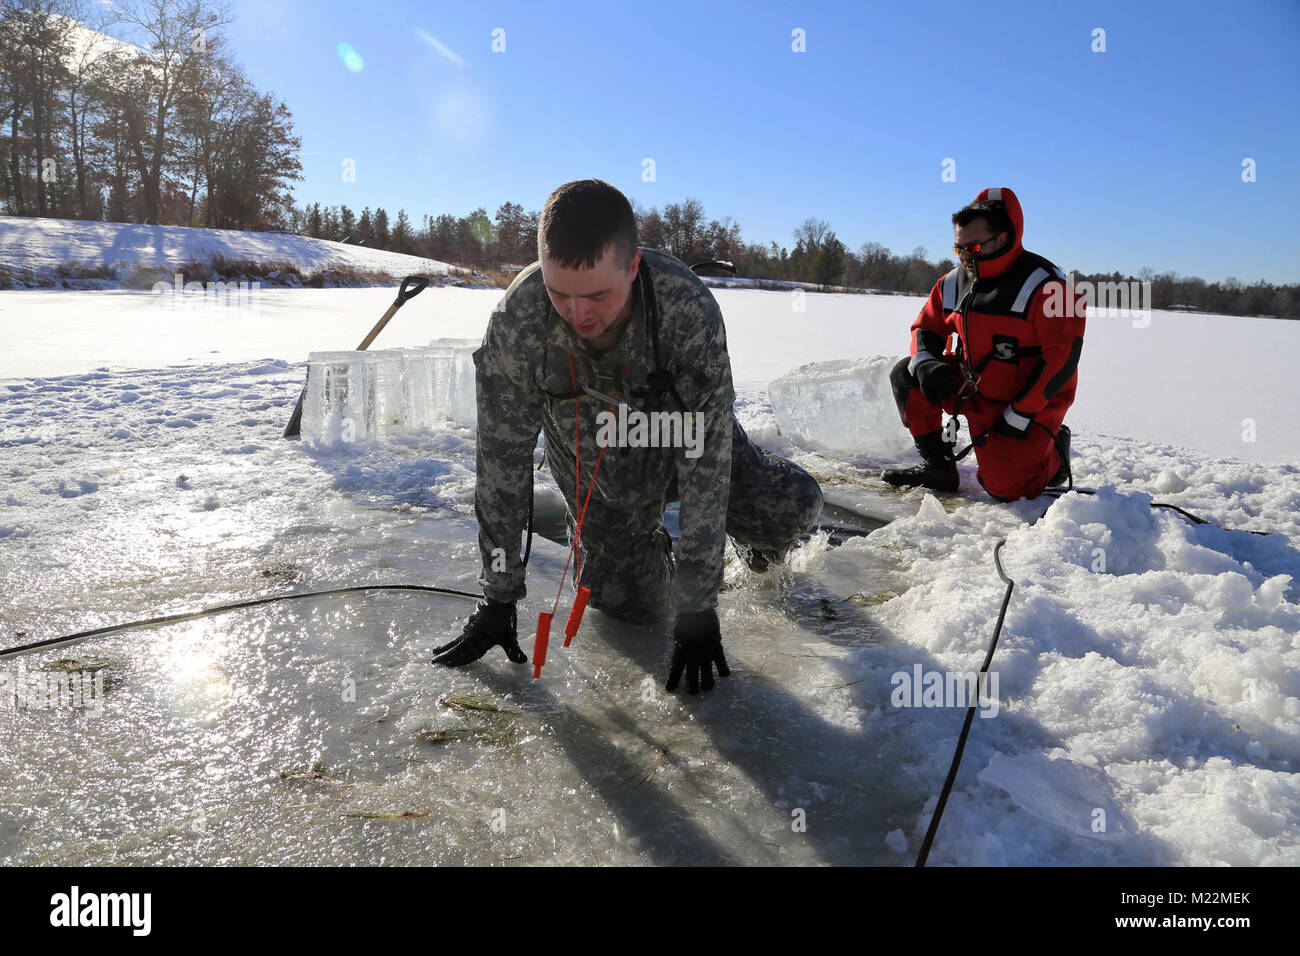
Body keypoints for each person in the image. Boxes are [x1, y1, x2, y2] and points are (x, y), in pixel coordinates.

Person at [432, 179, 823, 694]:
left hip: (681, 439)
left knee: (785, 512)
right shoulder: (519, 321)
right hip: (597, 471)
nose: (578, 315)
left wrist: (699, 603)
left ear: (633, 266)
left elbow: (705, 458)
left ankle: (751, 537)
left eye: (597, 295)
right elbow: (502, 464)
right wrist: (498, 597)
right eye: (559, 294)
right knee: (626, 606)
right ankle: (646, 551)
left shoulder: (686, 308)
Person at [882, 187, 1085, 501]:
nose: (965, 258)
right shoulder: (952, 282)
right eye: (958, 249)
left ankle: (1055, 451)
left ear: (1002, 238)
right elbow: (925, 328)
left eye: (973, 248)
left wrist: (1020, 413)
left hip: (1025, 401)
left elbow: (1060, 364)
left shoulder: (1049, 287)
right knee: (906, 373)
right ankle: (937, 466)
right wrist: (926, 364)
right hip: (970, 387)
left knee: (1006, 490)